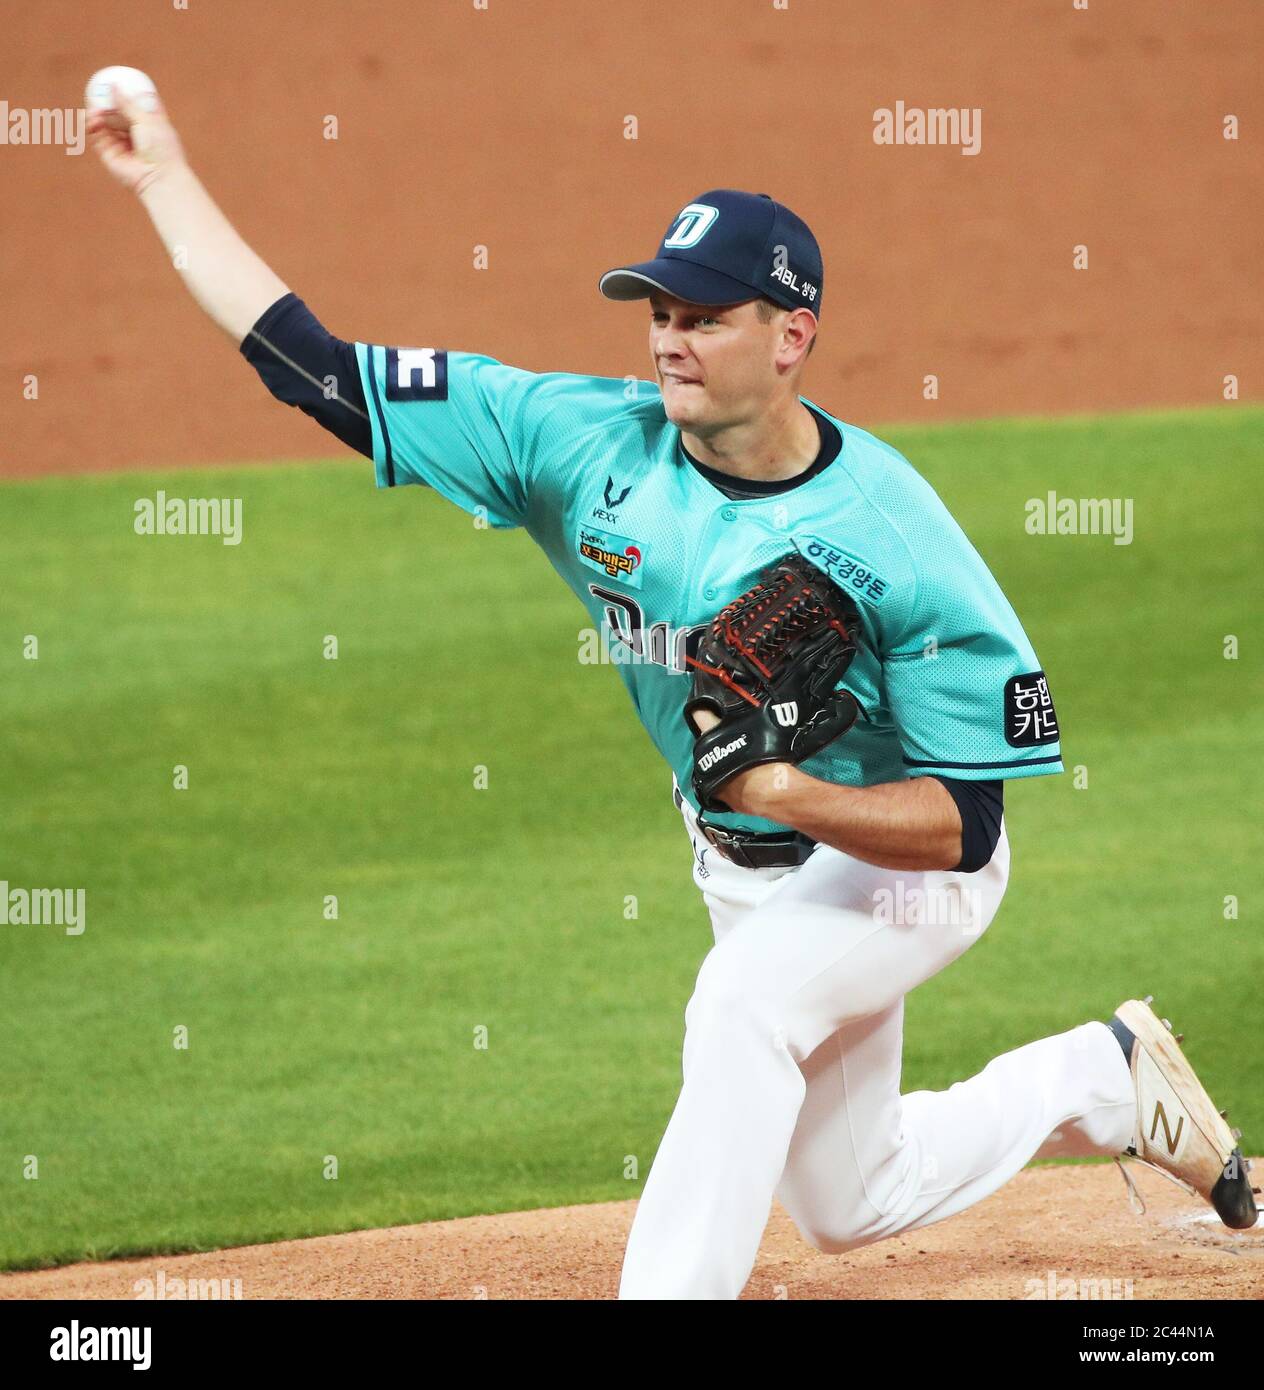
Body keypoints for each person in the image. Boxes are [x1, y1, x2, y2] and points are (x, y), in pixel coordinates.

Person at [88, 85, 1255, 1300]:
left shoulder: (897, 534)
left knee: (741, 1008)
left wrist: (787, 788)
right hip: (736, 862)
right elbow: (318, 374)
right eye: (658, 310)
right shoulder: (577, 441)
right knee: (854, 1201)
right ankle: (1107, 1077)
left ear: (792, 335)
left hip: (899, 870)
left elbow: (968, 828)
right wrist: (163, 175)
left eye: (704, 315)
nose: (666, 339)